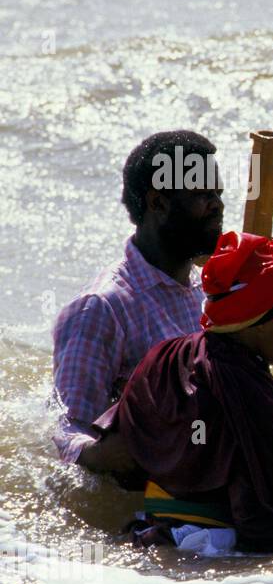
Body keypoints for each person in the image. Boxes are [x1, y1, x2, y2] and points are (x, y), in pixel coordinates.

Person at [93, 232, 273, 555]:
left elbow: (122, 448)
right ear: (260, 324)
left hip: (149, 528)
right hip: (211, 547)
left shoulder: (167, 357)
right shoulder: (247, 394)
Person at [52, 130, 224, 473]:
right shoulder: (101, 309)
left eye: (218, 193)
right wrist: (117, 453)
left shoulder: (208, 290)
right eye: (202, 194)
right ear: (158, 203)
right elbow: (67, 433)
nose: (217, 205)